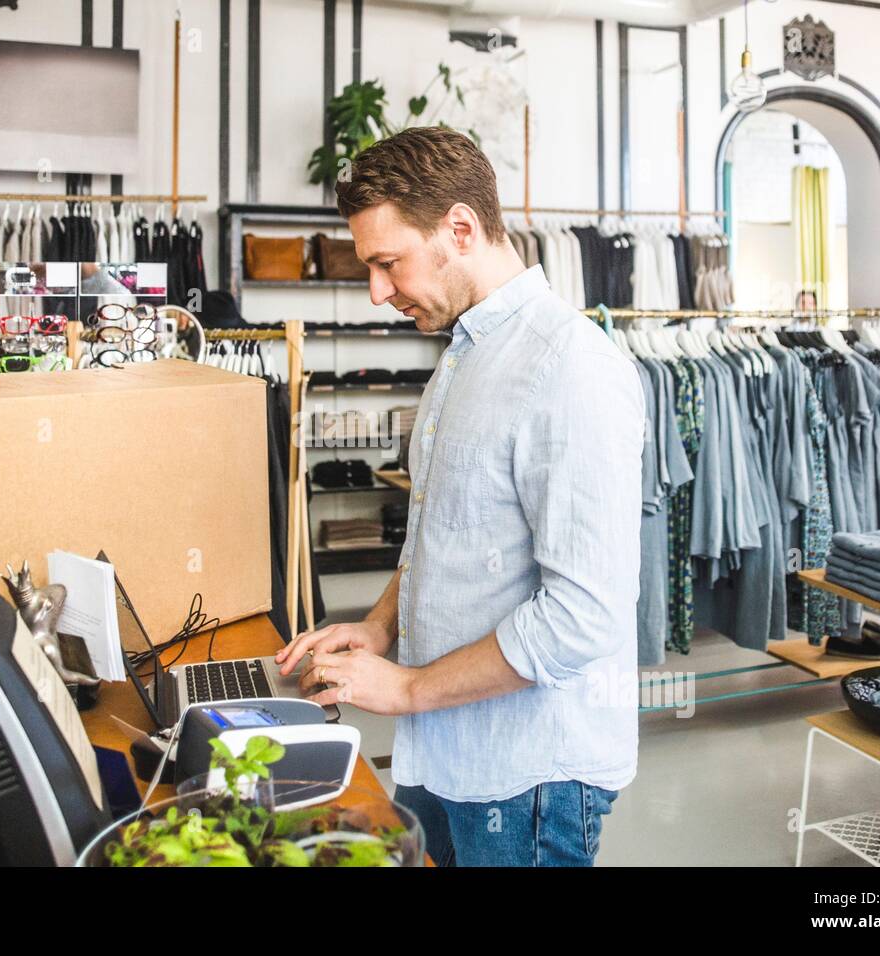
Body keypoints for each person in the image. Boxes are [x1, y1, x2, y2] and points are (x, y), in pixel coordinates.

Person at [275, 127, 645, 866]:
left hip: (526, 778)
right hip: (446, 752)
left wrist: (407, 689)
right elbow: (439, 536)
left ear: (462, 229)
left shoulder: (571, 369)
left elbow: (581, 619)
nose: (377, 291)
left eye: (388, 263)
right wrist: (379, 628)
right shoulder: (462, 356)